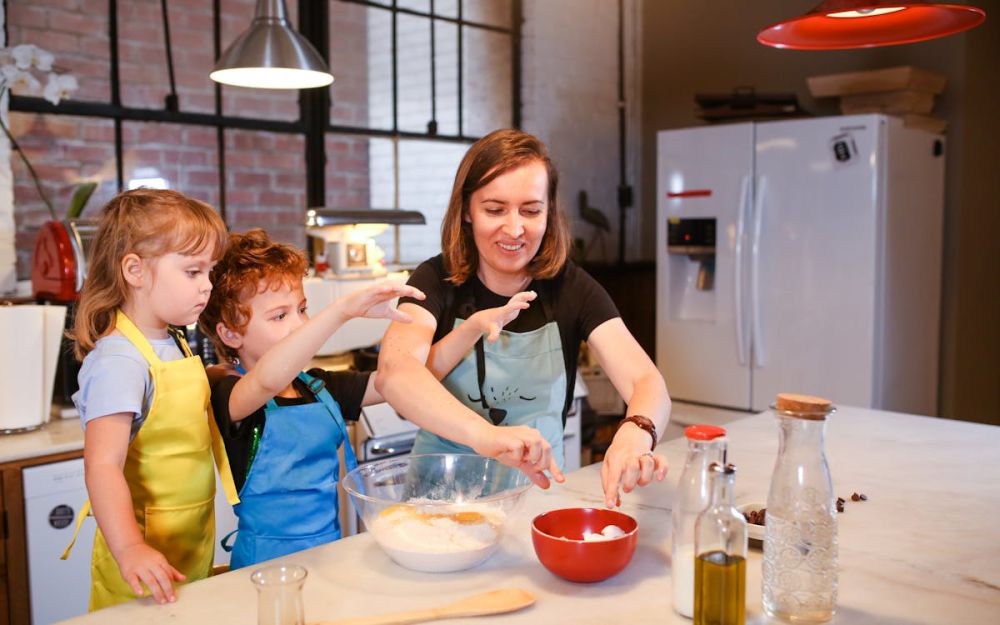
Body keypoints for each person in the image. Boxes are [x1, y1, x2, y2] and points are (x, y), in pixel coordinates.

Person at [376, 129, 672, 507]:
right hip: (438, 502)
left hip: (535, 499)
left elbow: (646, 380)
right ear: (466, 210)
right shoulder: (435, 280)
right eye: (495, 209)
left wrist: (635, 433)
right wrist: (484, 435)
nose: (514, 229)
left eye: (531, 211)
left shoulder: (572, 288)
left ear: (549, 212)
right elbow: (395, 372)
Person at [197, 229, 425, 569]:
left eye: (302, 310)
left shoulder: (318, 387)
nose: (300, 325)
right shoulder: (230, 396)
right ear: (230, 334)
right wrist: (341, 311)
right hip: (262, 572)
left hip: (328, 559)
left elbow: (397, 379)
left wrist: (471, 331)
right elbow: (265, 381)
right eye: (279, 316)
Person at [65, 189, 238, 609]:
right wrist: (128, 549)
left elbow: (165, 393)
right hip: (141, 556)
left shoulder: (170, 338)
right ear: (135, 271)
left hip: (189, 540)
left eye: (209, 272)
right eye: (193, 272)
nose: (207, 286)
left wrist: (213, 375)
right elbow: (102, 465)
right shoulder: (119, 360)